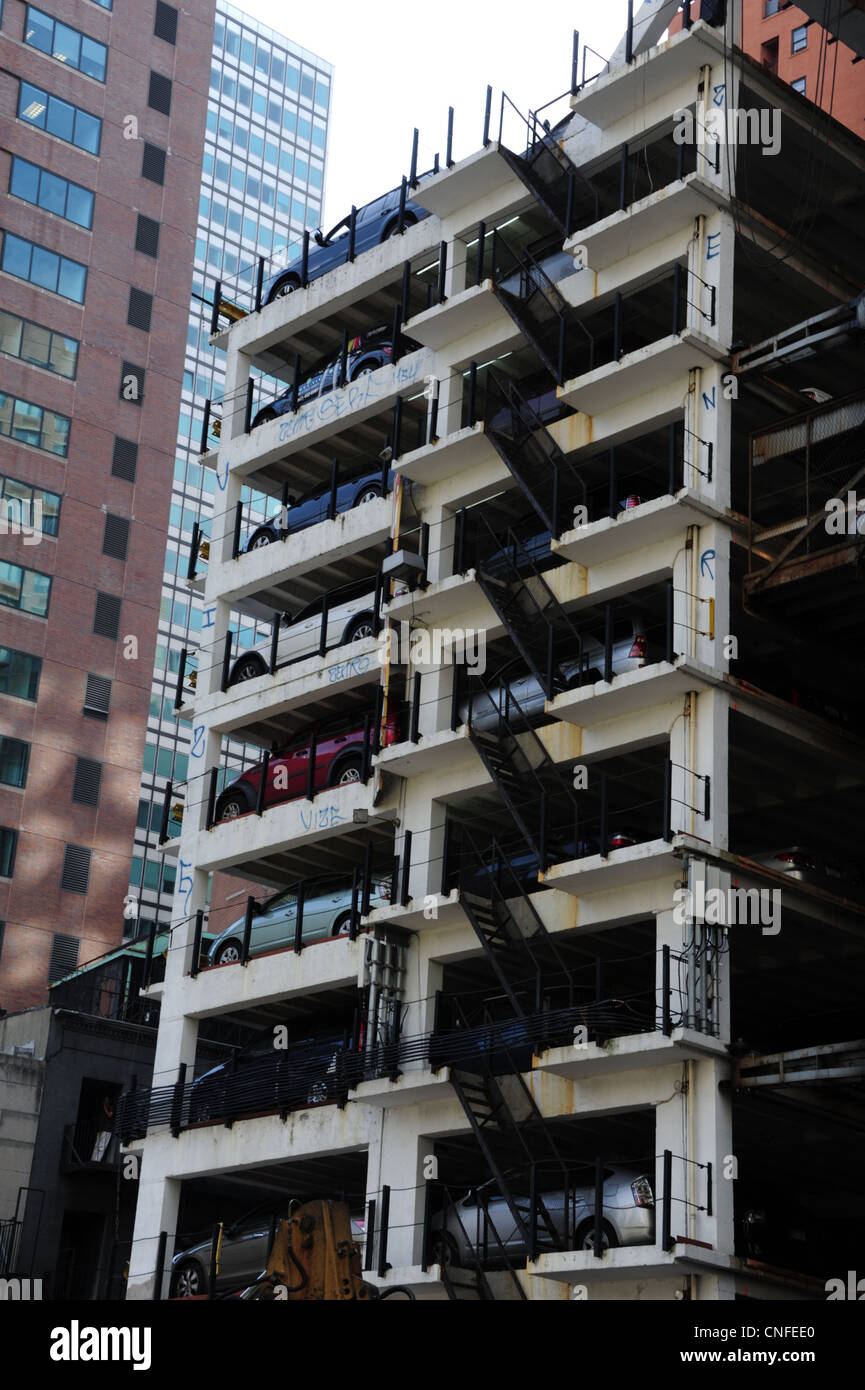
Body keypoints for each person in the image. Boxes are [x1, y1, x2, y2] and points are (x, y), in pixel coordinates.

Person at [90, 1094, 115, 1161]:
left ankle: (97, 1160)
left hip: (107, 1129)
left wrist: (104, 1106)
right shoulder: (102, 1108)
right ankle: (93, 1160)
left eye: (106, 1098)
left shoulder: (111, 1106)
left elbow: (110, 1115)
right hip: (101, 1128)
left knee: (101, 1147)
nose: (105, 1100)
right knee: (96, 1145)